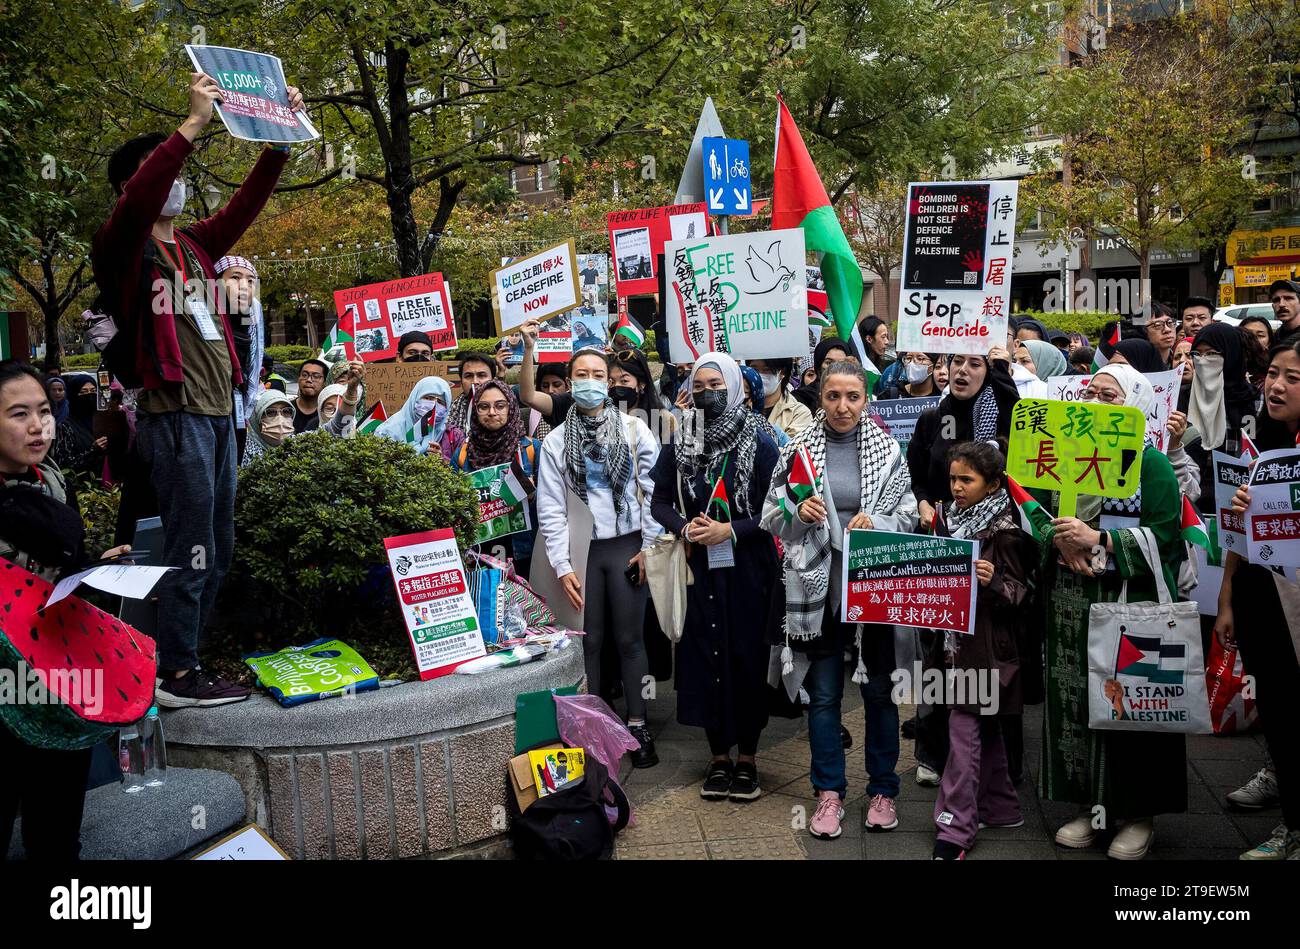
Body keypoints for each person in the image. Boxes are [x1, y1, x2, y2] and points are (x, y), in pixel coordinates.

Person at [91, 72, 298, 710]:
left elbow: (245, 205)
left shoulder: (195, 247)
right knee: (192, 547)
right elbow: (138, 200)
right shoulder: (123, 249)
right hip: (174, 415)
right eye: (167, 172)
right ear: (139, 183)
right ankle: (177, 673)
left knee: (220, 546)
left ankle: (191, 656)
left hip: (219, 416)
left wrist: (280, 141)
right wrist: (192, 125)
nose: (179, 183)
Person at [761, 360, 918, 840]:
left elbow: (908, 513)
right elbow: (770, 513)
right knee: (825, 696)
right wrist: (797, 509)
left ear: (866, 399)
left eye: (853, 396)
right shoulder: (796, 449)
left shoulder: (888, 449)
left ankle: (883, 790)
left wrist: (880, 523)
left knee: (879, 694)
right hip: (817, 589)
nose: (843, 406)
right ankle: (828, 792)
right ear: (820, 399)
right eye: (833, 396)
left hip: (874, 588)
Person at [1040, 363, 1187, 860]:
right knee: (1077, 704)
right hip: (1071, 603)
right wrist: (1062, 544)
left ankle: (1139, 814)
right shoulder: (1063, 455)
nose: (1098, 402)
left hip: (1129, 604)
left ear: (1136, 407)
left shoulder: (1151, 464)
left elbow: (1167, 536)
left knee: (1130, 703)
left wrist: (1099, 539)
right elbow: (1035, 514)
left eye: (1110, 395)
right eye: (1091, 392)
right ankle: (1091, 807)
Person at [0, 360, 133, 859]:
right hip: (4, 684)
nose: (38, 426)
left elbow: (62, 564)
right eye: (18, 414)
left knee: (56, 827)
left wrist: (100, 567)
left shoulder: (52, 478)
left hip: (59, 675)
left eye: (43, 410)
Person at [650, 354, 780, 801]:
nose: (706, 393)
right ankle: (718, 757)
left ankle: (748, 758)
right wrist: (685, 528)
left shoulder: (760, 440)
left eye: (715, 384)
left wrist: (730, 529)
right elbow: (660, 502)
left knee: (745, 656)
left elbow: (774, 510)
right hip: (699, 569)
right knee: (705, 655)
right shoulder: (681, 438)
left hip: (747, 568)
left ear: (734, 386)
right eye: (698, 384)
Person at [534, 349, 663, 768]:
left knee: (630, 640)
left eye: (597, 374)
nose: (589, 382)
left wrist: (650, 545)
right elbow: (550, 508)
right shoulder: (555, 441)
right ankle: (590, 726)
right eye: (581, 375)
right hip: (582, 552)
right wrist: (562, 565)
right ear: (570, 383)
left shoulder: (635, 429)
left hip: (627, 547)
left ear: (609, 381)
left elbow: (652, 492)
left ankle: (639, 722)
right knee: (588, 641)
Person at [906, 352, 1020, 785]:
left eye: (975, 363)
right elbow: (915, 475)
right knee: (938, 650)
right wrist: (923, 505)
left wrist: (1003, 371)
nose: (962, 371)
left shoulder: (1005, 412)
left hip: (992, 549)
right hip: (939, 544)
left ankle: (997, 764)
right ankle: (934, 754)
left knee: (988, 655)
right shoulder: (930, 419)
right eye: (956, 361)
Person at [1214, 339, 1300, 859]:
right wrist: (1226, 600)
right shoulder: (1264, 447)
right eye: (1272, 373)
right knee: (1280, 710)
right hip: (1262, 601)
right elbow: (1236, 538)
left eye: (1293, 377)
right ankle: (1291, 821)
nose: (1276, 385)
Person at [930, 440, 1031, 860]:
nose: (956, 487)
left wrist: (991, 582)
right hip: (956, 648)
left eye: (966, 480)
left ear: (991, 486)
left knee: (963, 735)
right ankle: (1001, 807)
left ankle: (955, 829)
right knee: (982, 731)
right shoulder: (945, 520)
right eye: (953, 478)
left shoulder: (1006, 530)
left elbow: (1020, 595)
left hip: (986, 651)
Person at [451, 379, 541, 576]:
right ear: (475, 411)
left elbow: (555, 501)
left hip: (523, 550)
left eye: (500, 405)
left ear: (511, 408)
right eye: (484, 406)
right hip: (479, 552)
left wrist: (535, 494)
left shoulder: (530, 449)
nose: (492, 412)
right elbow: (449, 502)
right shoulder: (464, 452)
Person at [1182, 323, 1258, 514]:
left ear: (1231, 354)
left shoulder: (1251, 401)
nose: (1202, 360)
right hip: (1189, 499)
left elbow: (1252, 449)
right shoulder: (1181, 397)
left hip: (1237, 501)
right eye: (1197, 354)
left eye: (1212, 353)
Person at [214, 255, 263, 462]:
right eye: (235, 278)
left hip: (237, 410)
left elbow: (252, 364)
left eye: (251, 281)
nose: (244, 286)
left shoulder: (248, 322)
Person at [374, 376, 465, 463]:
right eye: (428, 398)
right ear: (415, 397)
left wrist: (443, 463)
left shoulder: (453, 436)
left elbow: (464, 475)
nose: (434, 405)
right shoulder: (387, 431)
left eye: (440, 402)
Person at [48, 373, 106, 485]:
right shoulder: (64, 426)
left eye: (93, 391)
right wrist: (92, 451)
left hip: (110, 488)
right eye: (83, 392)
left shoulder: (103, 419)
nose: (89, 395)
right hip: (83, 488)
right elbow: (64, 465)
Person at [747, 357, 813, 437]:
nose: (760, 375)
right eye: (754, 370)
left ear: (782, 372)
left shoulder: (798, 413)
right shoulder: (740, 407)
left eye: (767, 370)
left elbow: (792, 447)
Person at [793, 338, 852, 413]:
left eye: (841, 363)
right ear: (819, 365)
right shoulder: (799, 399)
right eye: (829, 363)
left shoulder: (855, 394)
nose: (835, 367)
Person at [449, 352, 497, 432]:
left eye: (481, 375)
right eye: (468, 376)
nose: (475, 381)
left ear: (493, 380)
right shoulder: (451, 412)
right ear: (461, 381)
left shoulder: (506, 409)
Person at [292, 359, 328, 433]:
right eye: (304, 375)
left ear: (325, 382)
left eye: (316, 376)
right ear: (298, 379)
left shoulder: (329, 413)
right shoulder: (286, 410)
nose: (309, 380)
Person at [1143, 303, 1177, 368]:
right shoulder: (1136, 365)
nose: (1167, 330)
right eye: (1158, 325)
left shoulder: (1183, 360)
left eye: (1169, 323)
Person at [1268, 278, 1300, 346]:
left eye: (1288, 298)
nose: (1281, 304)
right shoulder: (1275, 337)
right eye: (1276, 300)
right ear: (1272, 306)